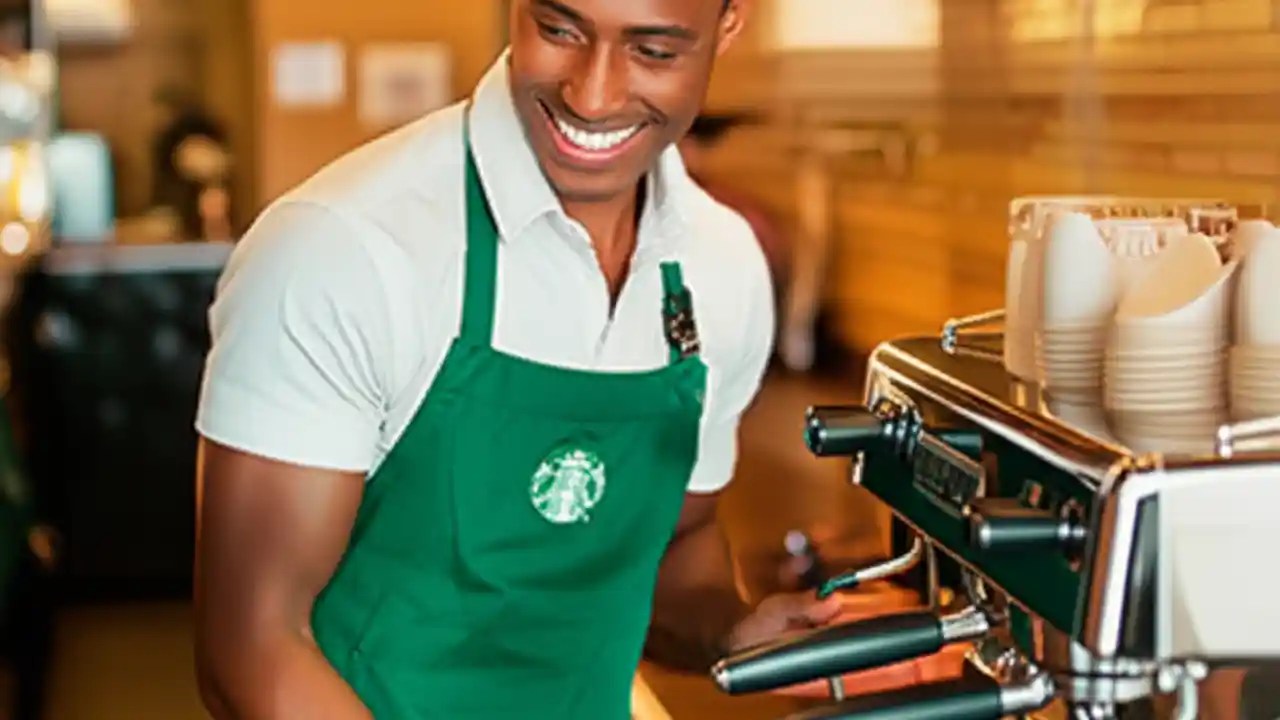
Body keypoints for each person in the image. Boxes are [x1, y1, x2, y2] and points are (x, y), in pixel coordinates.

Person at [192, 1, 844, 718]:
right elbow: (252, 651)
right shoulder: (339, 250)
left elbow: (672, 555)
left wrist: (733, 630)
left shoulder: (723, 267)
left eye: (654, 51)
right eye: (559, 30)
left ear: (728, 24)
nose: (592, 96)